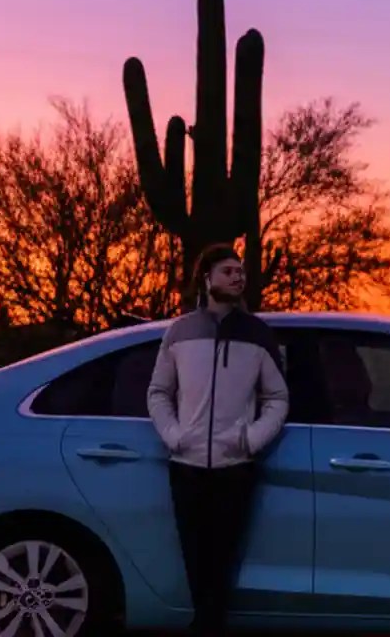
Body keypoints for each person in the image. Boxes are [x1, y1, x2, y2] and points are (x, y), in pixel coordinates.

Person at [146, 243, 289, 636]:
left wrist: (251, 439)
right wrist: (174, 435)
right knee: (193, 554)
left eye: (240, 271)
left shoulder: (258, 334)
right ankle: (204, 622)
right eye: (227, 271)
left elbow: (277, 397)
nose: (237, 277)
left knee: (225, 556)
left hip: (235, 467)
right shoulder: (179, 332)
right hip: (185, 466)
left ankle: (210, 625)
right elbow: (158, 391)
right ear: (206, 279)